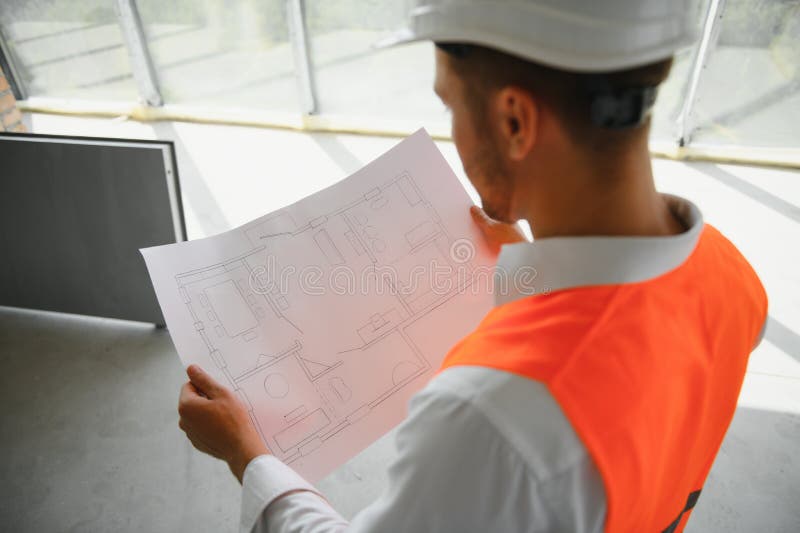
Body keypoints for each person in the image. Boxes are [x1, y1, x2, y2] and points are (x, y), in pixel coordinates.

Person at [177, 1, 768, 531]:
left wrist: (247, 453)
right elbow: (632, 364)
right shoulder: (734, 277)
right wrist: (531, 261)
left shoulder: (488, 415)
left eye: (449, 104)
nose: (451, 133)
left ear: (514, 122)